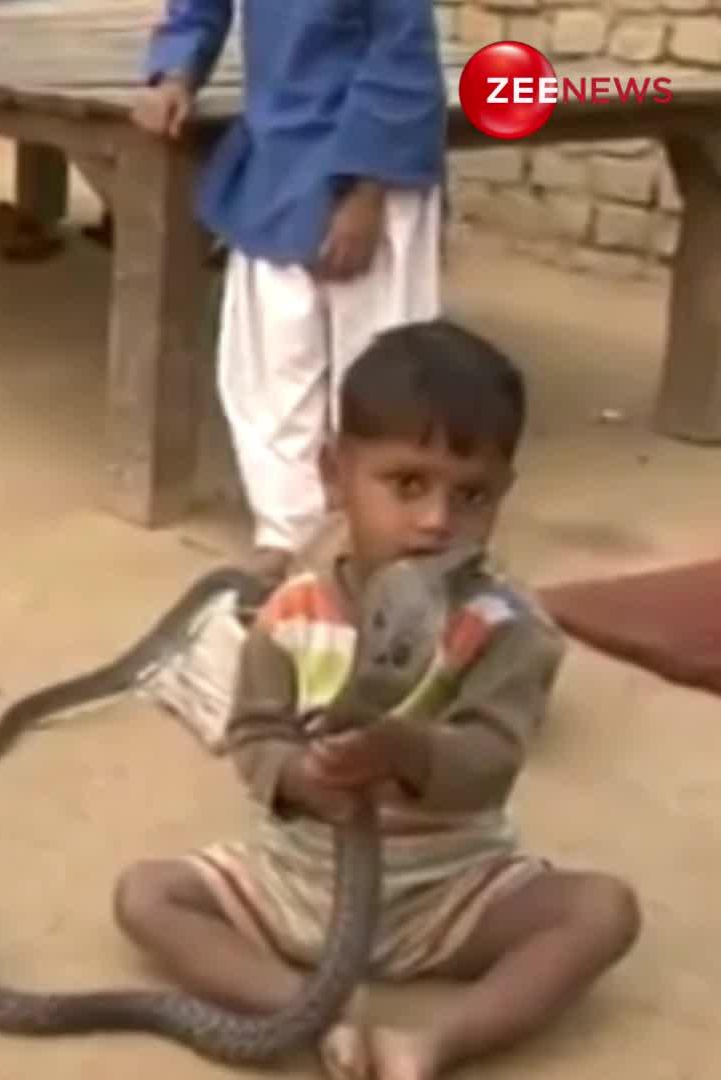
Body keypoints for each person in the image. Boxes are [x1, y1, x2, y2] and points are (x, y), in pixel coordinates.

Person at [112, 321, 641, 1080]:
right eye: (407, 484)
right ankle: (321, 1007)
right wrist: (302, 778)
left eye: (472, 495)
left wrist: (412, 754)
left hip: (450, 890)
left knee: (602, 912)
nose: (436, 521)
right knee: (147, 896)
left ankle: (434, 1042)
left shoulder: (509, 628)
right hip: (296, 884)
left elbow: (493, 760)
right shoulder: (291, 614)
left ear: (504, 495)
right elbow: (256, 735)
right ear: (335, 475)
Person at [133, 0, 446, 584]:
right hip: (279, 153)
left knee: (380, 366)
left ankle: (379, 533)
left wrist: (368, 188)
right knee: (270, 363)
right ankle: (288, 531)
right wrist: (177, 76)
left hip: (372, 158)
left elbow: (402, 51)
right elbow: (198, 8)